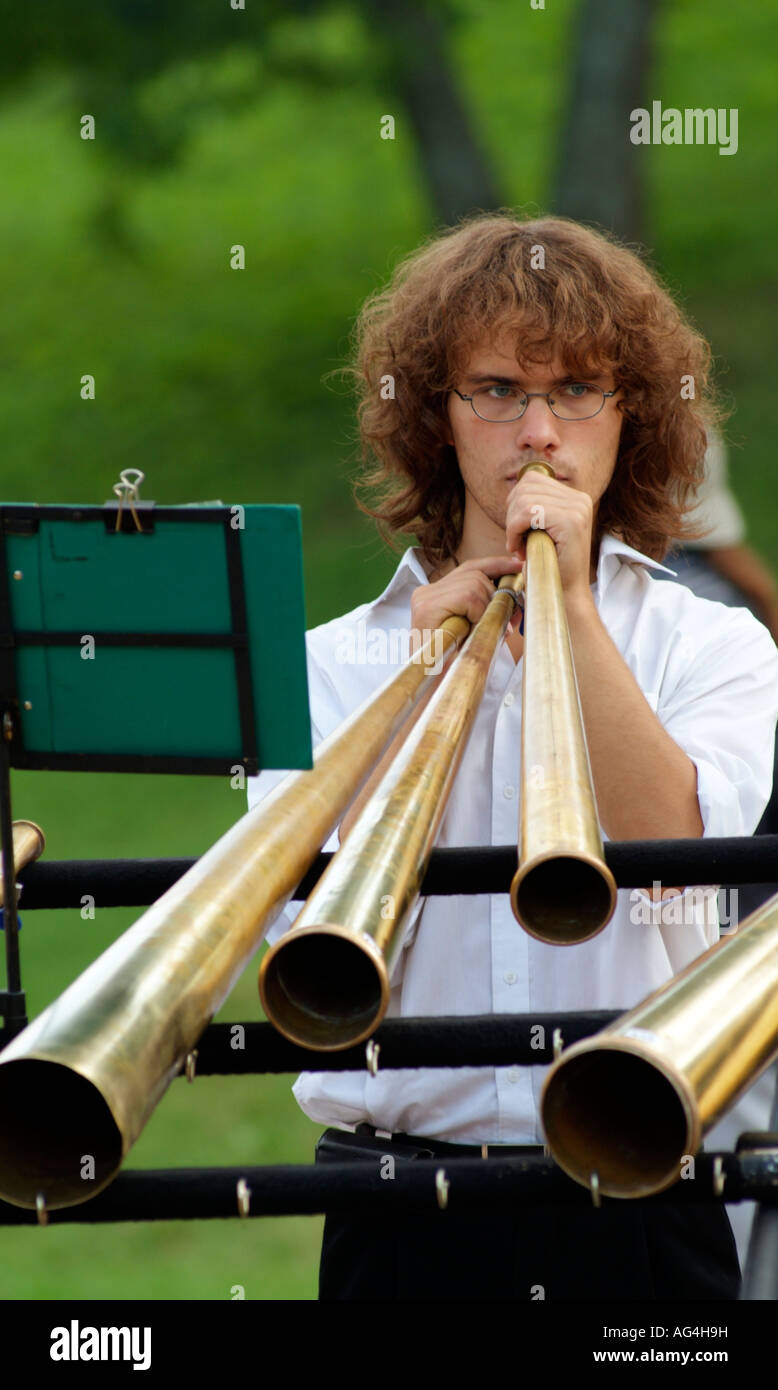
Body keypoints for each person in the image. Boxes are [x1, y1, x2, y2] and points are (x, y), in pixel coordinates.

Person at [247, 213, 778, 1300]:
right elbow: (301, 948)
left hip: (636, 1191)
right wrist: (418, 687)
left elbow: (676, 852)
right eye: (494, 391)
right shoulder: (330, 667)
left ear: (629, 417)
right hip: (394, 1207)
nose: (538, 431)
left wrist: (571, 604)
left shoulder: (712, 643)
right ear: (437, 419)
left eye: (577, 390)